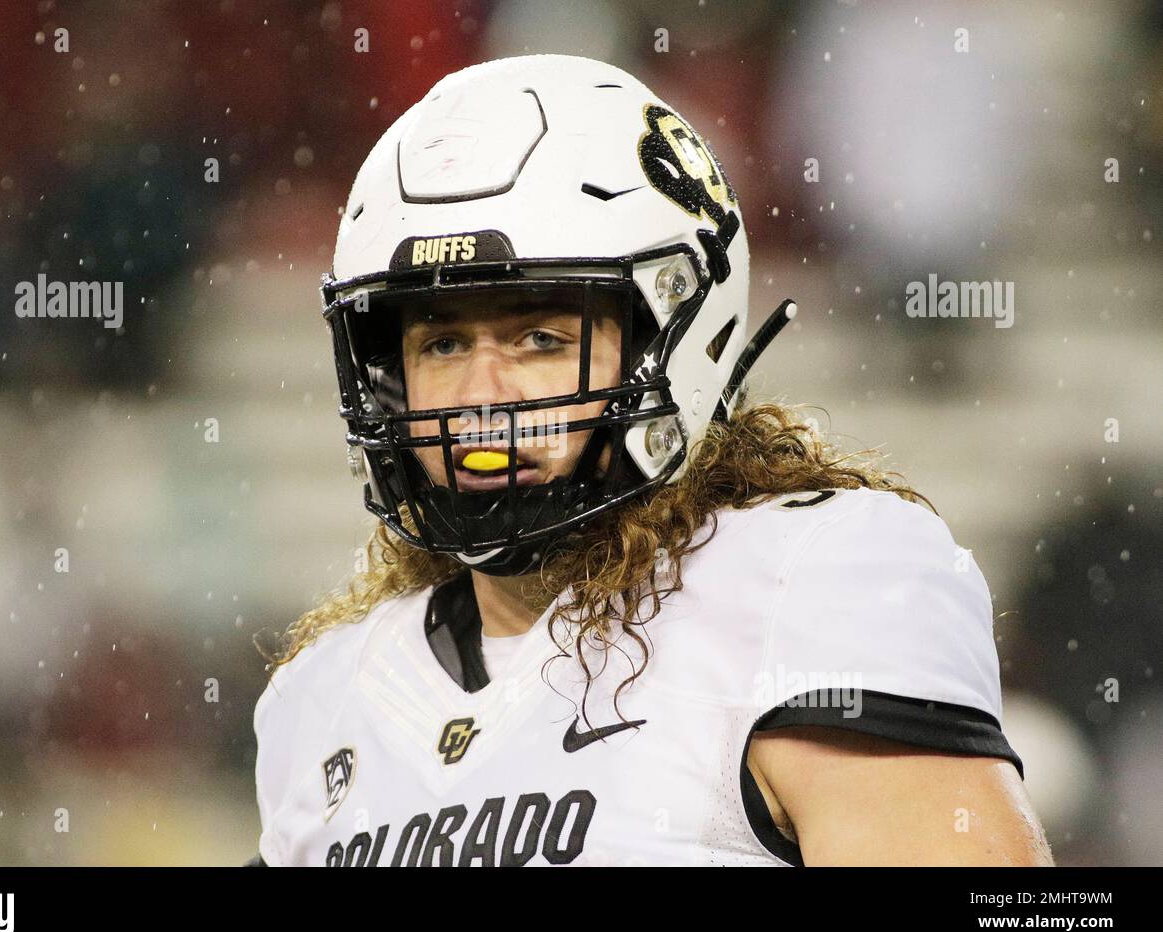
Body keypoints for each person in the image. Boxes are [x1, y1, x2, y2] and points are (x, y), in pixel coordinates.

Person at [250, 54, 1052, 867]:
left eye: (539, 338)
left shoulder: (809, 580)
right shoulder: (322, 697)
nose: (480, 398)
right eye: (444, 341)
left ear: (668, 338)